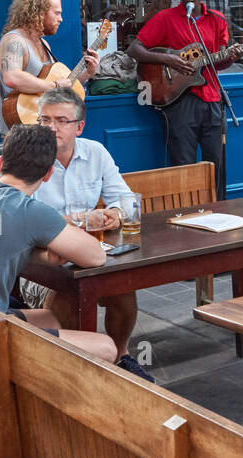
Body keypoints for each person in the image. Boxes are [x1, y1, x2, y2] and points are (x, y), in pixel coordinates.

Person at [0, 124, 122, 368]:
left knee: (51, 318)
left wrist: (43, 256)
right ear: (48, 174)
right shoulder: (30, 211)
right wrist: (50, 250)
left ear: (1, 163)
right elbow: (95, 257)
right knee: (107, 348)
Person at [21, 89, 151, 381]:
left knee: (121, 287)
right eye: (45, 120)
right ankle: (72, 371)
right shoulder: (28, 158)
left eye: (61, 120)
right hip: (40, 263)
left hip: (91, 255)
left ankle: (120, 357)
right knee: (68, 296)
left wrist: (115, 213)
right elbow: (23, 218)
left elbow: (127, 200)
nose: (51, 128)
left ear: (79, 126)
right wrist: (81, 220)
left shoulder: (95, 153)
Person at [126, 0, 243, 197]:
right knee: (183, 165)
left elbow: (218, 63)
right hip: (179, 100)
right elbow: (134, 49)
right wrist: (169, 59)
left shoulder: (217, 20)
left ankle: (218, 211)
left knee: (216, 164)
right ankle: (186, 216)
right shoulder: (166, 18)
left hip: (212, 98)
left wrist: (231, 57)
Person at [0, 0, 100, 135]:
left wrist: (87, 73)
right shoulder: (14, 41)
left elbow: (56, 85)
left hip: (44, 127)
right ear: (38, 13)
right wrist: (55, 85)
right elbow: (12, 78)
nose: (61, 19)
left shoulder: (44, 43)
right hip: (21, 130)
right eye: (57, 13)